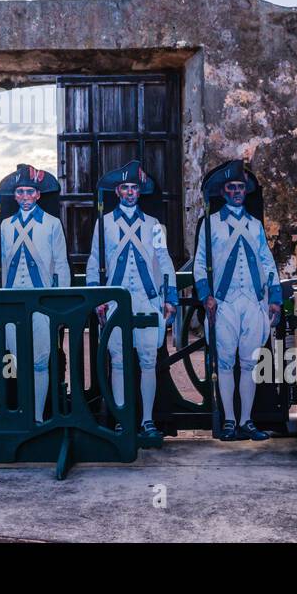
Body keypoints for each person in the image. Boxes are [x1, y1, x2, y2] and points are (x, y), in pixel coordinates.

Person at [85, 160, 177, 446]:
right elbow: (94, 262)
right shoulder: (104, 223)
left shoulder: (154, 225)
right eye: (124, 187)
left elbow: (164, 261)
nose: (129, 192)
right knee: (120, 362)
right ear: (117, 191)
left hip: (147, 300)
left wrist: (170, 296)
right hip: (116, 301)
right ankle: (124, 420)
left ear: (140, 191)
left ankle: (147, 420)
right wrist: (97, 297)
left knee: (148, 361)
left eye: (133, 187)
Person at [193, 160, 282, 442]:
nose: (236, 192)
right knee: (225, 363)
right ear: (223, 192)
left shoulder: (255, 225)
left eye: (240, 187)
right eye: (231, 187)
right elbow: (199, 264)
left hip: (253, 301)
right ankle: (229, 421)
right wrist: (206, 295)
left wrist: (275, 298)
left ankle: (247, 421)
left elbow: (267, 263)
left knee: (250, 363)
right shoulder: (209, 224)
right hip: (224, 303)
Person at [0, 164, 71, 422]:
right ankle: (20, 412)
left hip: (43, 302)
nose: (24, 196)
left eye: (29, 192)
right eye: (20, 192)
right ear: (15, 196)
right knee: (14, 361)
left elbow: (61, 264)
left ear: (38, 195)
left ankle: (37, 416)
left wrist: (62, 302)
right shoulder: (5, 226)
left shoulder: (52, 224)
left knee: (40, 360)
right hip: (12, 302)